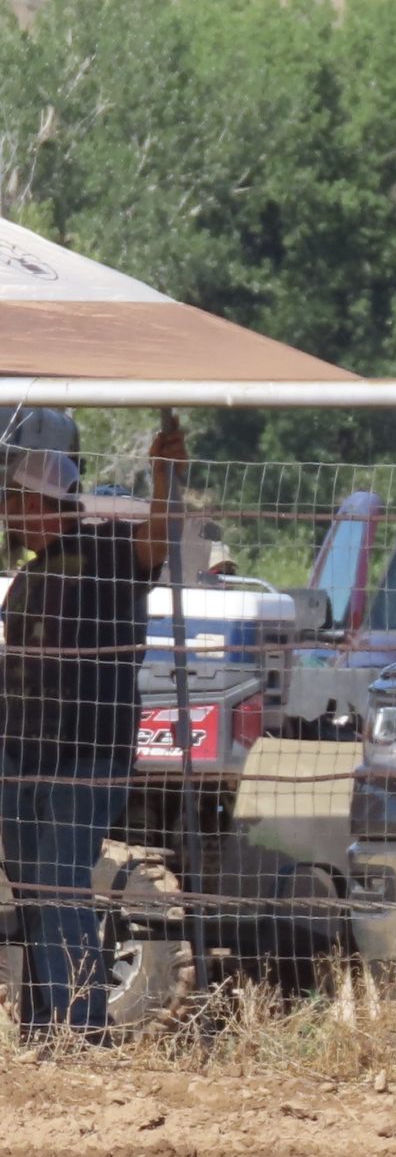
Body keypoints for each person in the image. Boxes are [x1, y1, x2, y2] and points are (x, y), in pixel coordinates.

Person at [0, 413, 186, 1041]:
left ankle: (81, 1029)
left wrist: (166, 477)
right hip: (22, 757)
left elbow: (155, 541)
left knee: (59, 886)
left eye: (11, 501)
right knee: (34, 893)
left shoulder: (102, 552)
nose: (6, 514)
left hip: (82, 758)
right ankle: (44, 1025)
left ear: (36, 501)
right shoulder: (31, 574)